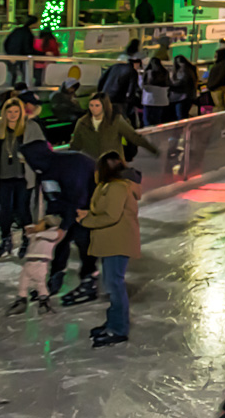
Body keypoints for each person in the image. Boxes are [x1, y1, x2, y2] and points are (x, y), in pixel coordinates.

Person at [19, 139, 99, 302]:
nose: (25, 164)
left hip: (95, 202)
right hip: (76, 204)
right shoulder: (45, 170)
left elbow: (77, 200)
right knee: (60, 239)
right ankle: (55, 277)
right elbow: (54, 200)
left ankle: (89, 280)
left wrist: (63, 226)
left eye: (25, 160)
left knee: (82, 237)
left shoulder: (71, 165)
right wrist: (48, 223)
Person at [79, 151, 141, 348]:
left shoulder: (117, 187)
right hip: (111, 241)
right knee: (112, 284)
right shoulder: (109, 186)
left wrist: (86, 220)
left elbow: (112, 216)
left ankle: (119, 329)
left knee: (115, 284)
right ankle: (113, 322)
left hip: (118, 241)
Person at [0, 96, 46, 258]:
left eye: (16, 111)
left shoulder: (30, 127)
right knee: (4, 212)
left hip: (23, 177)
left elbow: (43, 150)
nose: (12, 115)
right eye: (9, 112)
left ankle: (27, 239)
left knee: (22, 209)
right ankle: (5, 239)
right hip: (3, 176)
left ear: (21, 112)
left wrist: (29, 157)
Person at [68, 91, 157, 163]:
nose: (93, 108)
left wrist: (152, 149)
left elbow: (133, 136)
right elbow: (76, 145)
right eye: (91, 105)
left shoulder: (116, 120)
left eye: (97, 106)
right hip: (92, 166)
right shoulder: (83, 122)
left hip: (113, 166)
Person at [9, 211, 63, 316]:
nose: (38, 224)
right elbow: (28, 230)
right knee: (23, 283)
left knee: (40, 284)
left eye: (41, 222)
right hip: (29, 263)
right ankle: (21, 301)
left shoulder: (51, 234)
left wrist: (37, 231)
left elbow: (53, 234)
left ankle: (44, 303)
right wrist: (34, 229)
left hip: (40, 264)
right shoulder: (35, 234)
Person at [3, 14, 38, 85]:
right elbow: (27, 49)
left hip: (11, 57)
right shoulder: (28, 34)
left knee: (12, 75)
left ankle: (11, 90)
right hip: (21, 58)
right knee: (23, 76)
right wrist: (41, 53)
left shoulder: (17, 31)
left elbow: (6, 42)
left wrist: (9, 54)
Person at [140, 55, 172, 128]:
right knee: (157, 120)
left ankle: (148, 136)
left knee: (147, 120)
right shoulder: (165, 72)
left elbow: (142, 85)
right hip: (161, 100)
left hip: (148, 100)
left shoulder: (148, 72)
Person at [170, 55, 199, 122]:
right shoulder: (190, 69)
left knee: (181, 116)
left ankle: (183, 130)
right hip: (190, 95)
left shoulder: (182, 69)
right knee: (183, 115)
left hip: (182, 96)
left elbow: (181, 82)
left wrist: (170, 85)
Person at [205, 47, 225, 112]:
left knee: (220, 106)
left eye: (216, 54)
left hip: (218, 87)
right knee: (221, 105)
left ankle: (221, 120)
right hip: (218, 87)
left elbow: (220, 77)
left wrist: (212, 85)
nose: (215, 56)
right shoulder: (222, 64)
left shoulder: (223, 64)